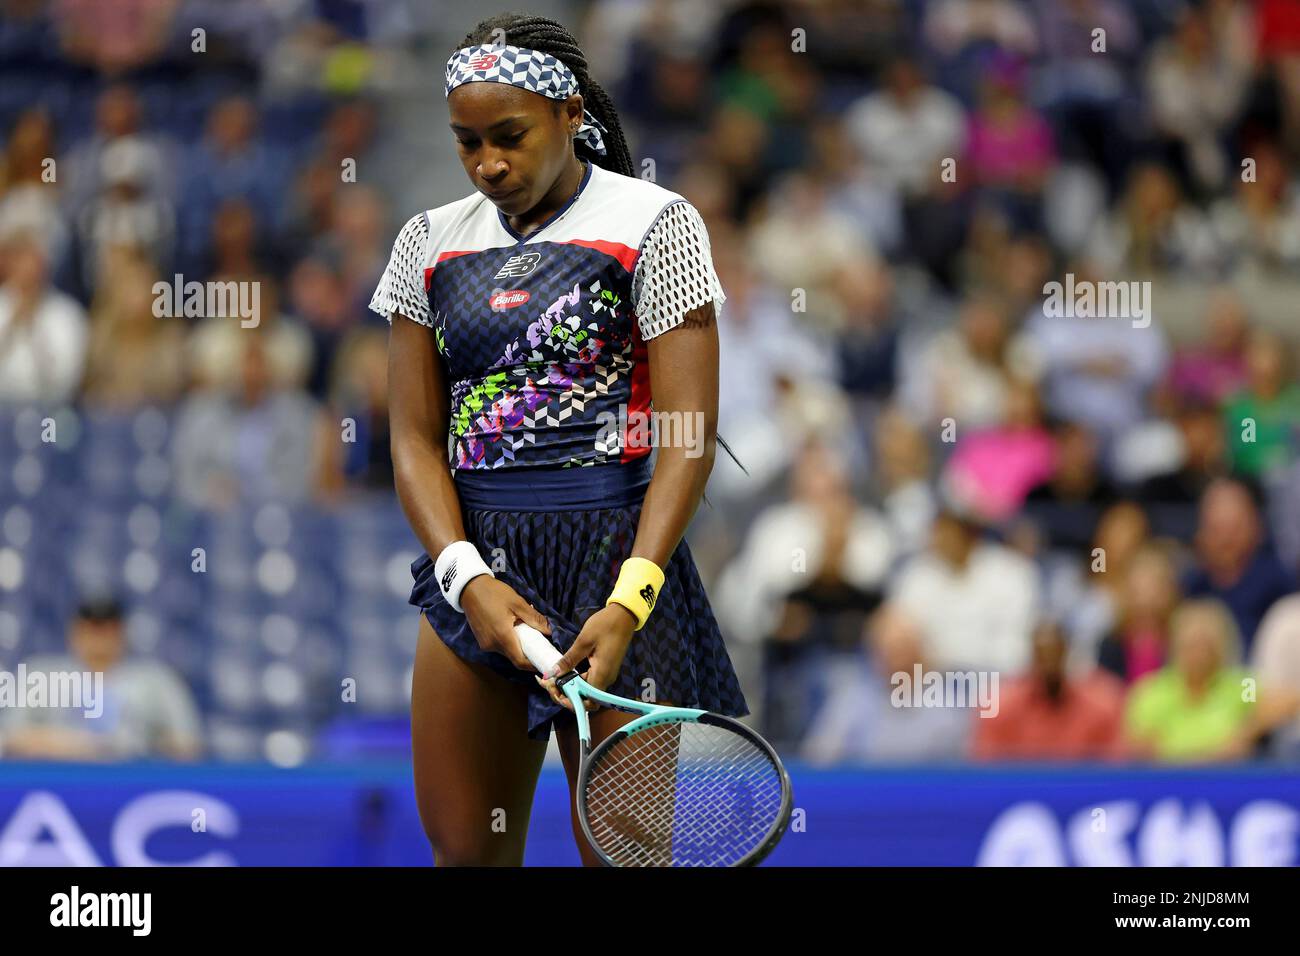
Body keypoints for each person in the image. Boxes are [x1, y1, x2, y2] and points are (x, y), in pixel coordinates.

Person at [374, 14, 747, 867]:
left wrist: (631, 600)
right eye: (467, 142)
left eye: (509, 137)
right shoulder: (426, 243)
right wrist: (467, 580)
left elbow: (687, 436)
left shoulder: (656, 222)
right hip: (478, 572)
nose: (487, 164)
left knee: (624, 861)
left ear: (570, 113)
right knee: (469, 857)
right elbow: (414, 443)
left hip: (617, 567)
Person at [0, 596, 203, 761]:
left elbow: (188, 743)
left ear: (122, 632)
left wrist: (138, 746)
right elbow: (10, 737)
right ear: (75, 631)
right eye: (92, 627)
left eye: (107, 627)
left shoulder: (155, 679)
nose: (99, 637)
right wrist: (65, 744)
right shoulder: (42, 674)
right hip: (58, 779)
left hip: (132, 782)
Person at [971, 620, 1126, 761]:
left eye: (1054, 653)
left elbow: (1115, 769)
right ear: (1032, 655)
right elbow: (985, 769)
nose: (1049, 663)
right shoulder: (1000, 708)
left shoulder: (1102, 707)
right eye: (1042, 654)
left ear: (1066, 652)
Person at [1124, 599, 1254, 762]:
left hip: (1228, 779)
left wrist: (1247, 732)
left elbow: (1279, 703)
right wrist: (1209, 755)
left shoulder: (1243, 685)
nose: (1198, 655)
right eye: (1191, 646)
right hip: (1169, 781)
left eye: (1206, 646)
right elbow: (1138, 746)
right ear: (1176, 646)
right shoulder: (1150, 691)